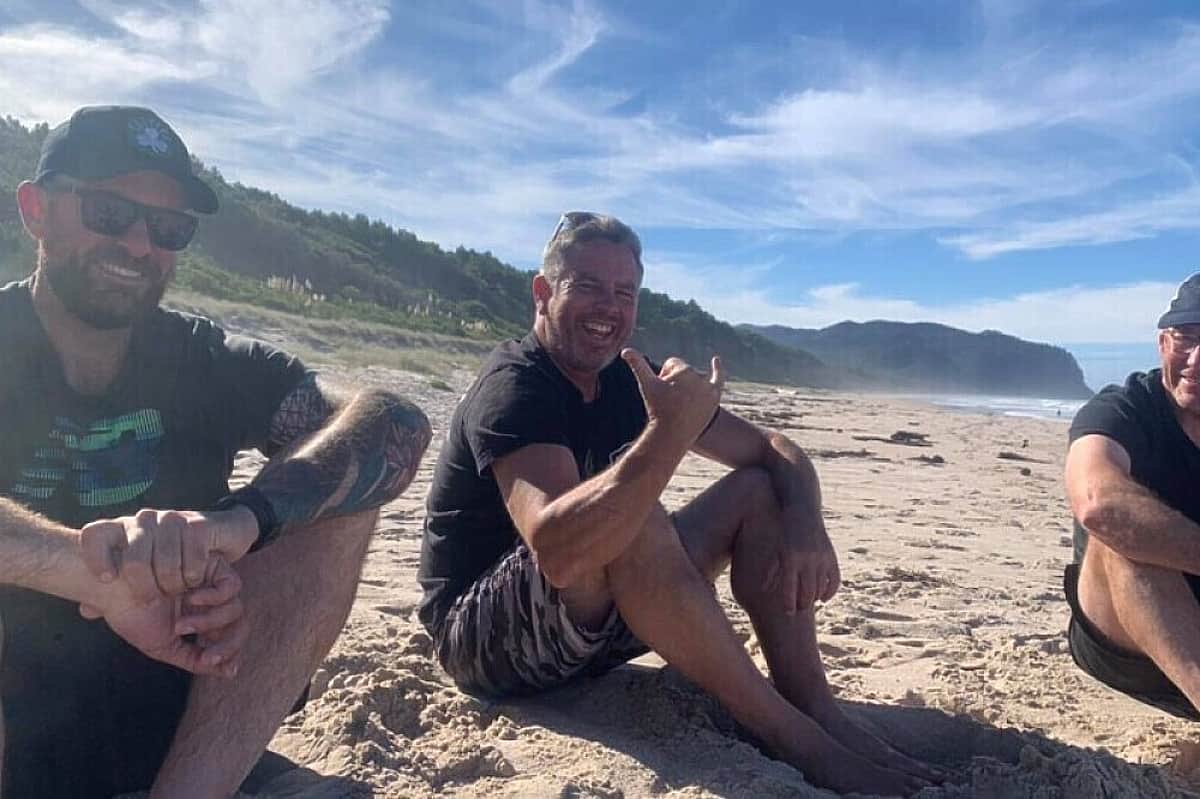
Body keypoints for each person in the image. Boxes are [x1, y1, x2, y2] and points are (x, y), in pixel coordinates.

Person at [418, 211, 942, 796]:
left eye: (625, 293)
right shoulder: (517, 386)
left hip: (596, 628)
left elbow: (774, 448)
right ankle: (796, 738)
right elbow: (559, 552)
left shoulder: (625, 378)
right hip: (486, 642)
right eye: (586, 286)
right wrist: (669, 432)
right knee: (632, 513)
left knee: (759, 491)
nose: (608, 308)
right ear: (543, 293)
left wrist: (805, 524)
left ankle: (812, 702)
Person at [1, 105, 432, 797]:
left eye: (168, 229)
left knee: (341, 489)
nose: (139, 245)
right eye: (110, 212)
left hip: (182, 752)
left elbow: (393, 420)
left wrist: (243, 522)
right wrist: (95, 573)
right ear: (35, 209)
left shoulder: (204, 359)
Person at [1064, 272, 1200, 721]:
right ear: (1163, 342)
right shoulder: (1124, 409)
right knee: (1124, 532)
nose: (1196, 361)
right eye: (1186, 338)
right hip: (1123, 643)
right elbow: (1099, 504)